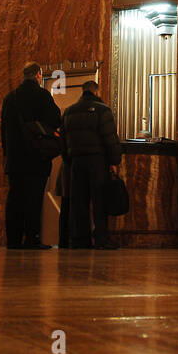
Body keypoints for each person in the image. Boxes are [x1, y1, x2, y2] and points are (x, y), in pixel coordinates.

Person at [0, 62, 62, 250]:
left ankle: (13, 239)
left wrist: (7, 153)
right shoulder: (42, 95)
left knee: (15, 198)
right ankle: (31, 237)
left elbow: (3, 129)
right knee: (34, 198)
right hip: (37, 156)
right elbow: (55, 119)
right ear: (38, 75)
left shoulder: (10, 98)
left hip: (15, 158)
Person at [62, 80, 122, 249]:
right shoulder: (103, 110)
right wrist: (114, 161)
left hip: (76, 162)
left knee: (79, 202)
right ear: (96, 92)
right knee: (99, 200)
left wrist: (68, 160)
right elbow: (110, 138)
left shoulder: (69, 111)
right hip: (97, 161)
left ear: (83, 91)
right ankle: (101, 239)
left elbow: (63, 140)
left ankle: (80, 240)